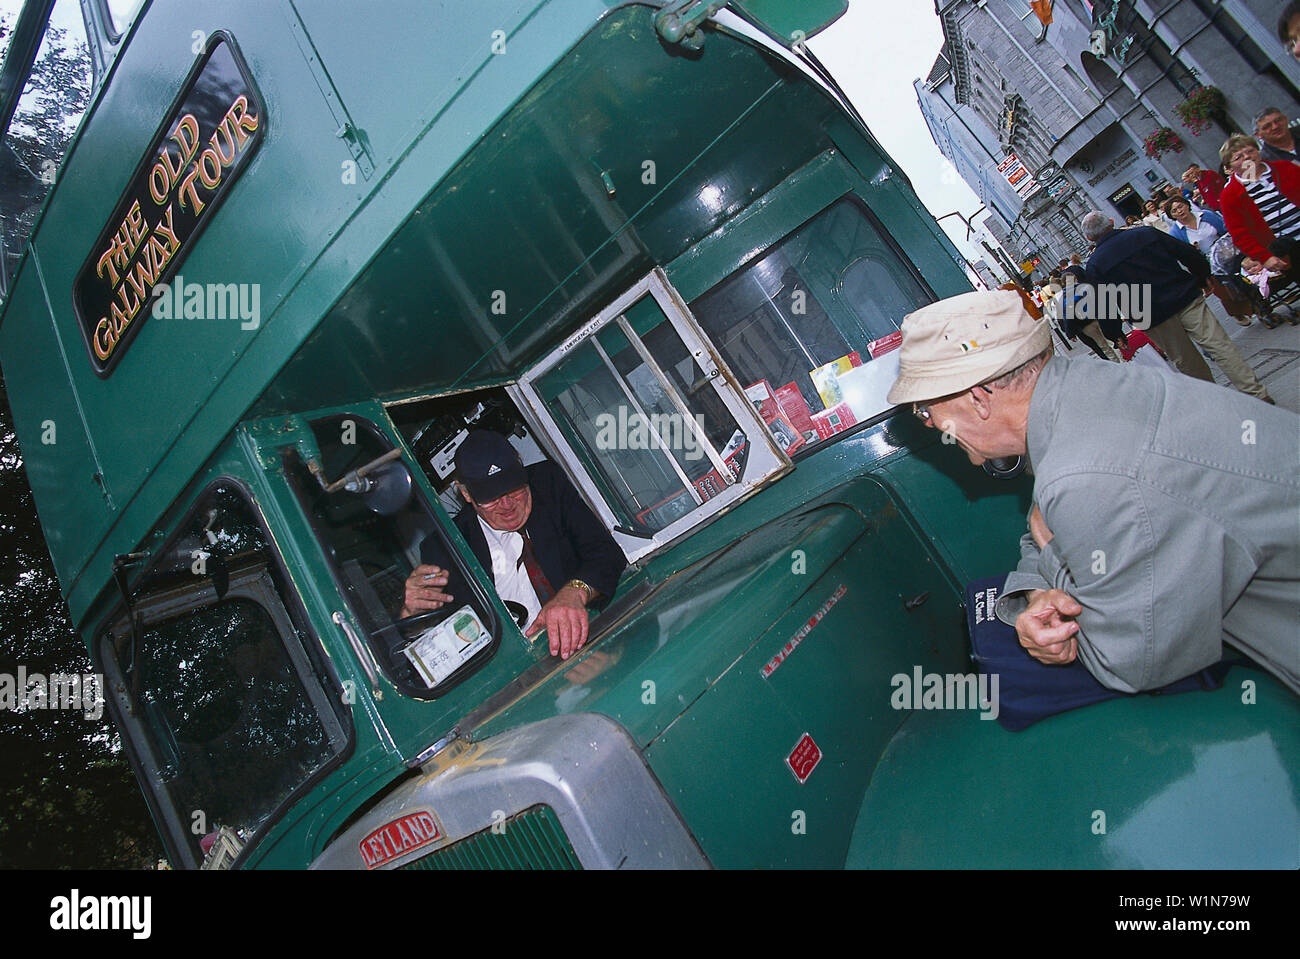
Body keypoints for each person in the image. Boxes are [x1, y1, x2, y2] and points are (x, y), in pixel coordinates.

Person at [886, 290, 1299, 697]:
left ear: (977, 399)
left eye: (925, 410)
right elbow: (1044, 529)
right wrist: (1038, 592)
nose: (928, 424)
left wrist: (1051, 562)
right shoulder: (1082, 397)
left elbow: (1130, 663)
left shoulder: (1082, 473)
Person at [401, 430, 627, 659]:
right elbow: (439, 649)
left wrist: (576, 591)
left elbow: (606, 553)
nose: (507, 504)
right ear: (466, 494)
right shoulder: (444, 549)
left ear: (520, 465)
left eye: (513, 488)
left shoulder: (548, 485)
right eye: (491, 497)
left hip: (589, 642)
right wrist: (413, 618)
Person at [1081, 210, 1273, 401]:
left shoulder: (1095, 264)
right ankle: (1256, 393)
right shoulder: (1145, 233)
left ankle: (1215, 402)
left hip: (1152, 317)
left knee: (1187, 362)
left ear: (1089, 237)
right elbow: (1186, 252)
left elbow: (1105, 303)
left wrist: (1115, 333)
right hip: (1184, 296)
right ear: (1112, 222)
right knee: (1220, 346)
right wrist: (1203, 276)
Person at [1218, 134, 1300, 271]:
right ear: (1229, 167)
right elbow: (1239, 234)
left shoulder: (1284, 168)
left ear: (1258, 151)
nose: (1247, 157)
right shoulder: (1229, 195)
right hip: (1290, 250)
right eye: (1238, 157)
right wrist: (1265, 257)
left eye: (1250, 151)